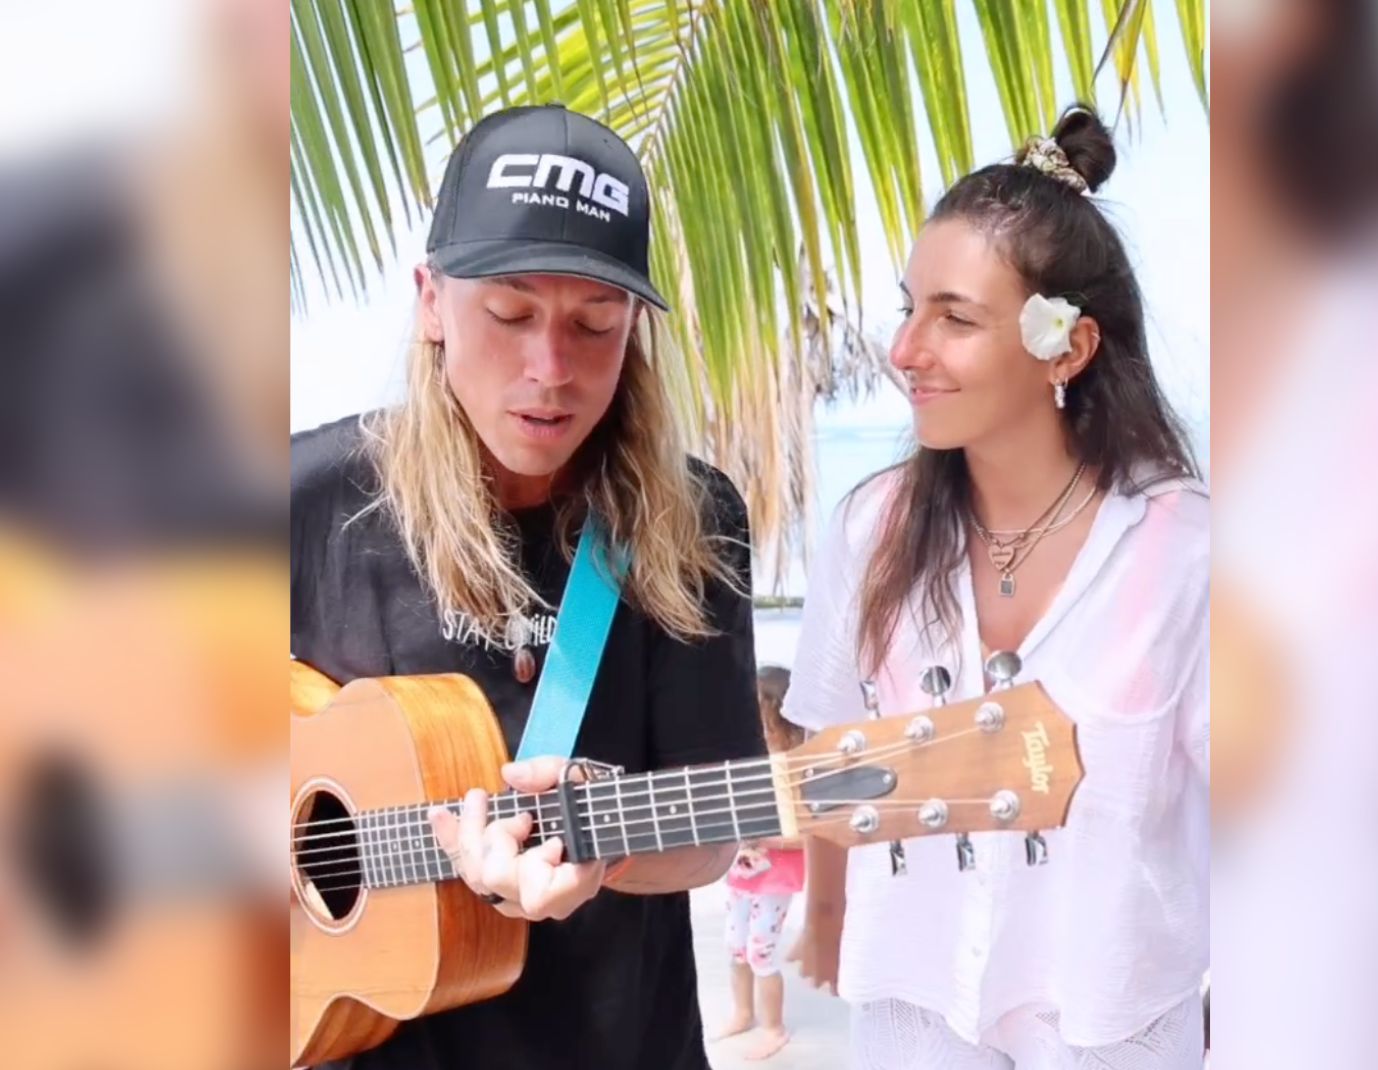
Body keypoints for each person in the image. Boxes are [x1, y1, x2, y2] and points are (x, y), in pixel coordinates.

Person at [291, 104, 766, 1070]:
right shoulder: (292, 500)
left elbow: (719, 829)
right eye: (509, 315)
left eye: (595, 326)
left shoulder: (686, 514)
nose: (551, 371)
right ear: (431, 301)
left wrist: (606, 850)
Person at [784, 106, 1209, 1069]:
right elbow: (827, 745)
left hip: (1116, 1028)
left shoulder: (1184, 554)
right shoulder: (872, 529)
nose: (905, 350)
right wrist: (825, 909)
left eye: (955, 318)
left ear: (1068, 346)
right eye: (909, 308)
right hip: (911, 1009)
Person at [713, 665, 806, 1061]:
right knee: (734, 946)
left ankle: (773, 1027)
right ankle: (743, 1012)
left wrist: (760, 838)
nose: (759, 736)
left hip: (774, 879)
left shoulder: (796, 772)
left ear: (787, 727)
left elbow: (804, 835)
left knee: (760, 952)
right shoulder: (750, 766)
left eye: (766, 728)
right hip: (740, 873)